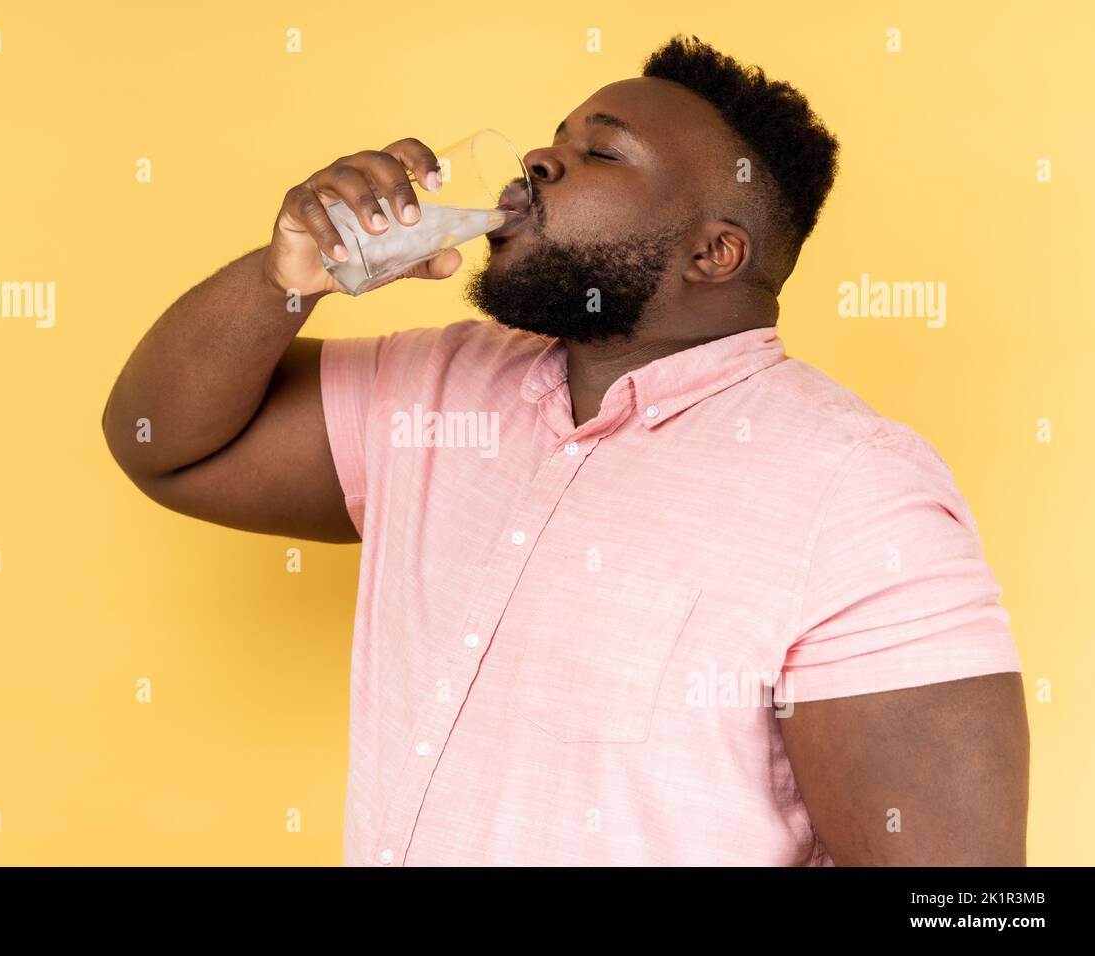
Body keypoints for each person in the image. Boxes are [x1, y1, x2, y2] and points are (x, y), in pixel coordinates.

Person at [102, 34, 1028, 866]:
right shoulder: (435, 390)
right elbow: (166, 448)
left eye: (602, 152)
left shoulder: (854, 493)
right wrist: (286, 279)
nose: (540, 158)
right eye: (557, 135)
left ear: (713, 253)